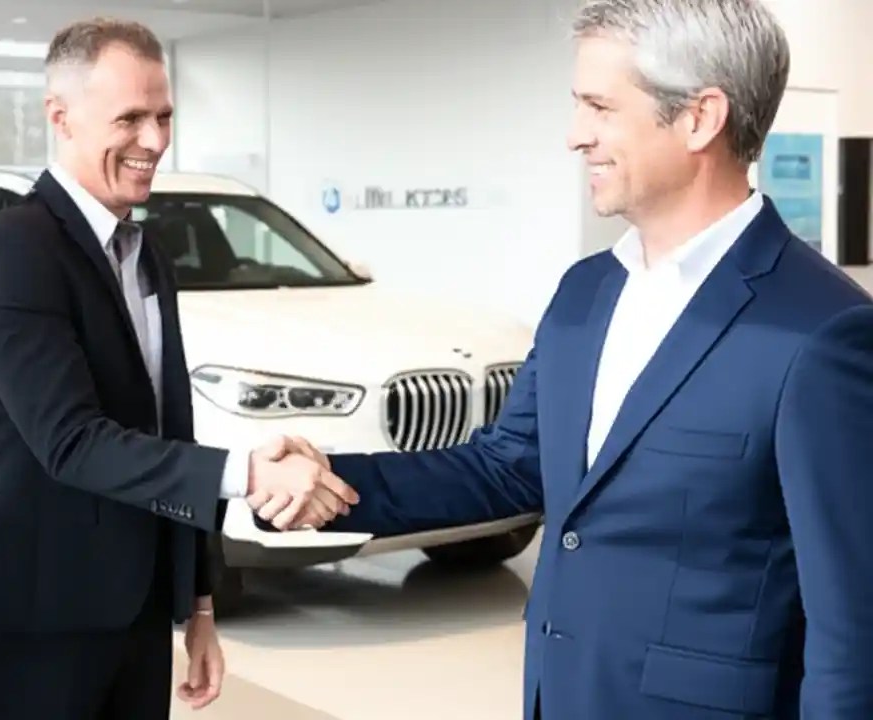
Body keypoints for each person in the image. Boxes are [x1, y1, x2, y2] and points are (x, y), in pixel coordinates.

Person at [266, 1, 873, 718]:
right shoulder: (586, 293)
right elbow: (505, 467)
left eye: (599, 106)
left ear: (700, 118)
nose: (574, 136)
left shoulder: (821, 331)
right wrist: (329, 483)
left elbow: (853, 628)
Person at [0, 16, 358, 720]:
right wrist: (252, 473)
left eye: (163, 115)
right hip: (41, 614)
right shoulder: (14, 252)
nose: (156, 140)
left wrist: (196, 603)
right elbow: (72, 442)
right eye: (130, 118)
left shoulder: (146, 254)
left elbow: (169, 426)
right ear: (61, 117)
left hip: (136, 609)